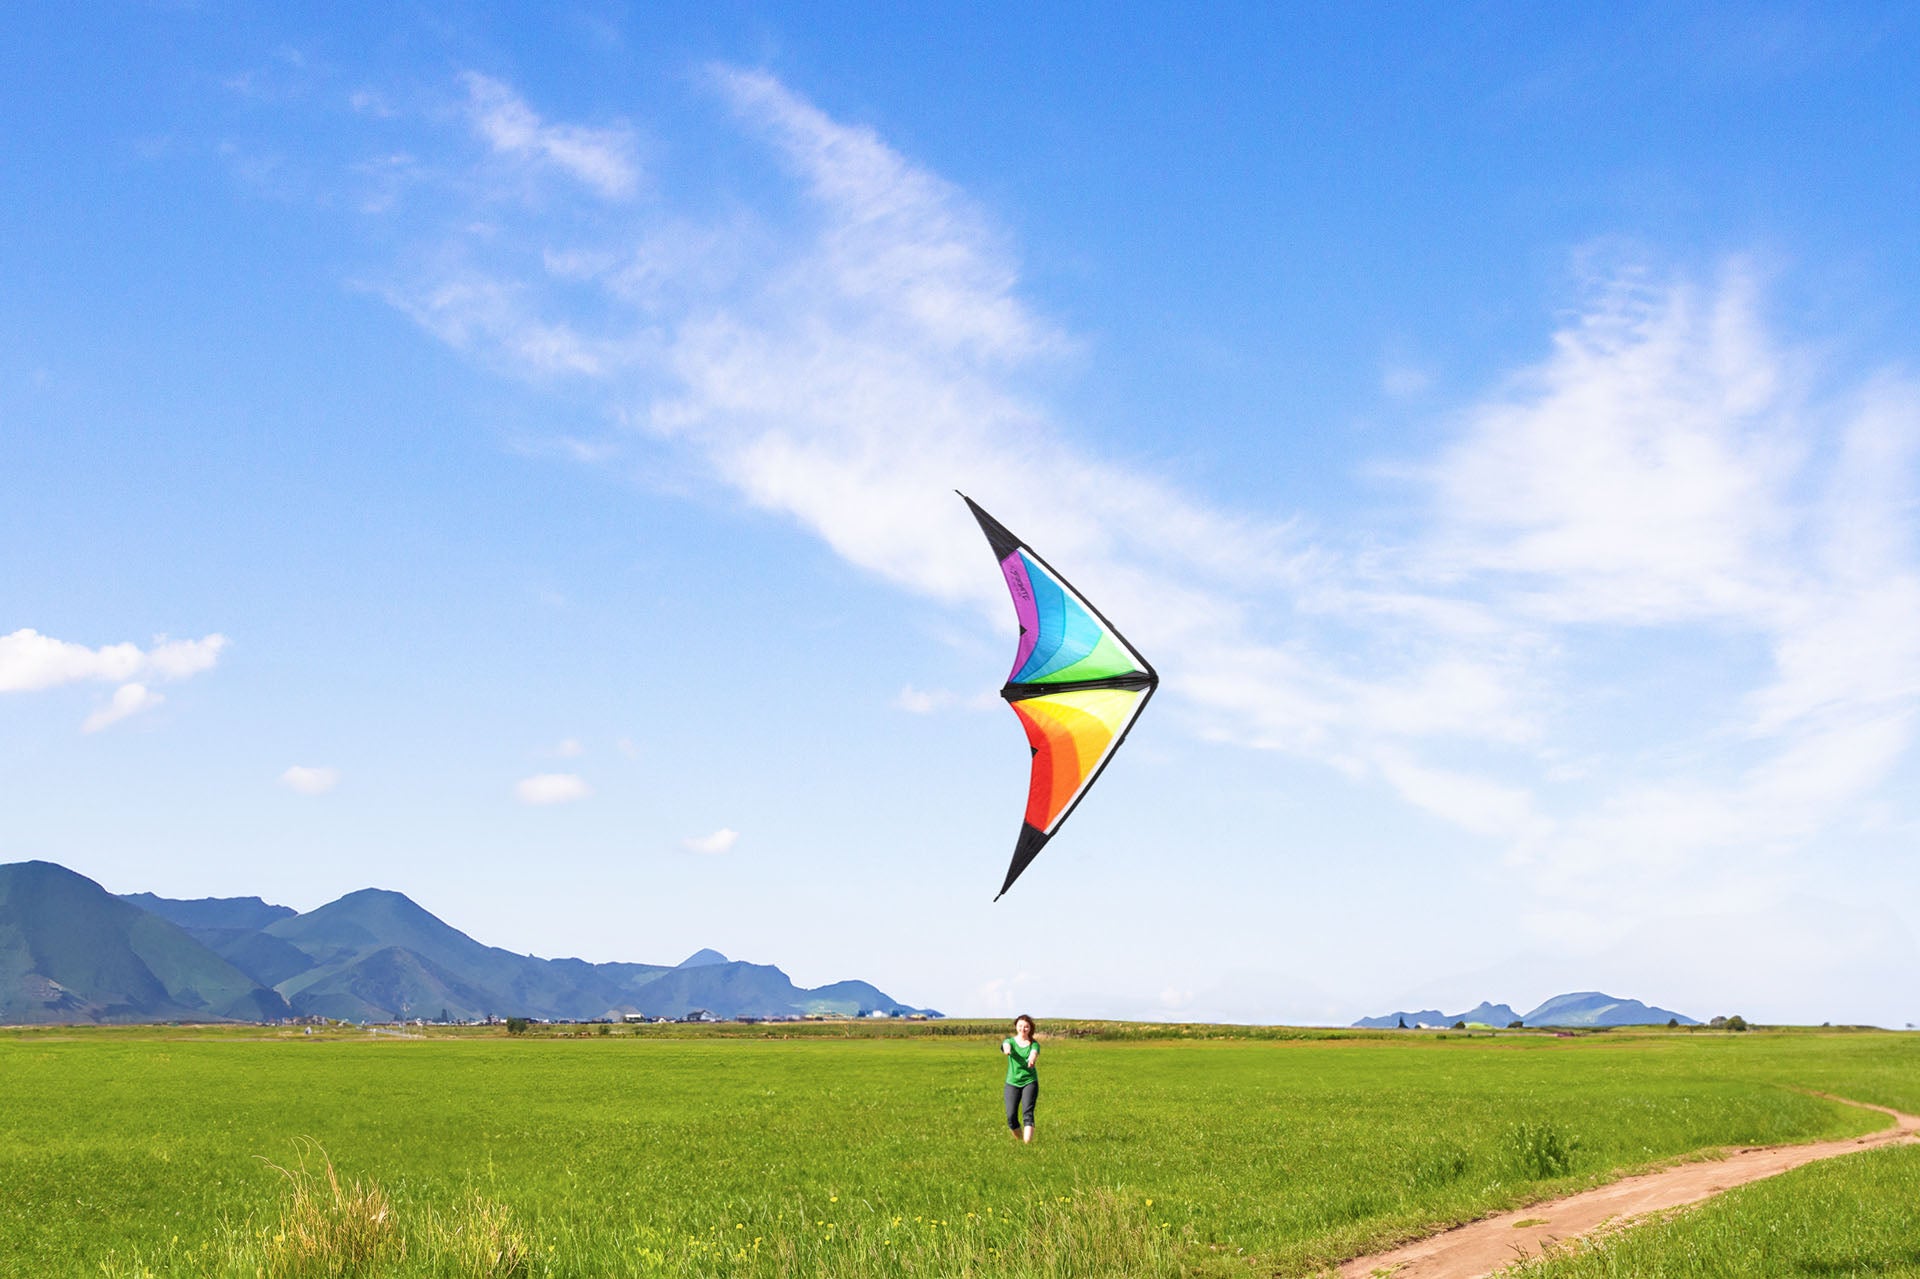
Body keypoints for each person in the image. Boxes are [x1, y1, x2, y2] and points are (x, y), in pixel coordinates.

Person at [1001, 1014, 1040, 1143]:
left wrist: (1032, 1059)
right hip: (1012, 1083)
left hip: (1029, 1081)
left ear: (1030, 1028)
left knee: (1027, 1114)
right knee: (1011, 1117)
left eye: (1026, 1026)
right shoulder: (1010, 1042)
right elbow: (1005, 1045)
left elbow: (1034, 1053)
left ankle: (1027, 1144)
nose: (1023, 1029)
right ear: (1016, 1026)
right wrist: (1007, 1050)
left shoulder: (1034, 1044)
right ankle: (1020, 1142)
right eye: (1020, 1026)